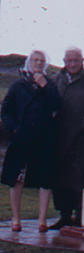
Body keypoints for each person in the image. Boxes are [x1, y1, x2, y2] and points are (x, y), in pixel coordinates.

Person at [1, 50, 61, 232]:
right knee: (16, 179)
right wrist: (14, 128)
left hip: (44, 139)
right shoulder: (18, 85)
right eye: (35, 60)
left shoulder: (50, 84)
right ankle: (15, 219)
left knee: (45, 179)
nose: (38, 63)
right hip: (22, 138)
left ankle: (42, 221)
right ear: (29, 62)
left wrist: (44, 87)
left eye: (42, 60)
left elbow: (57, 106)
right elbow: (6, 110)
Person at [52, 47, 84, 228]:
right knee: (60, 178)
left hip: (82, 138)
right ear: (64, 61)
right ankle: (64, 216)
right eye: (69, 61)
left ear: (82, 61)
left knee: (82, 178)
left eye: (76, 61)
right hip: (60, 137)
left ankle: (81, 216)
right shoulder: (57, 79)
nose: (72, 64)